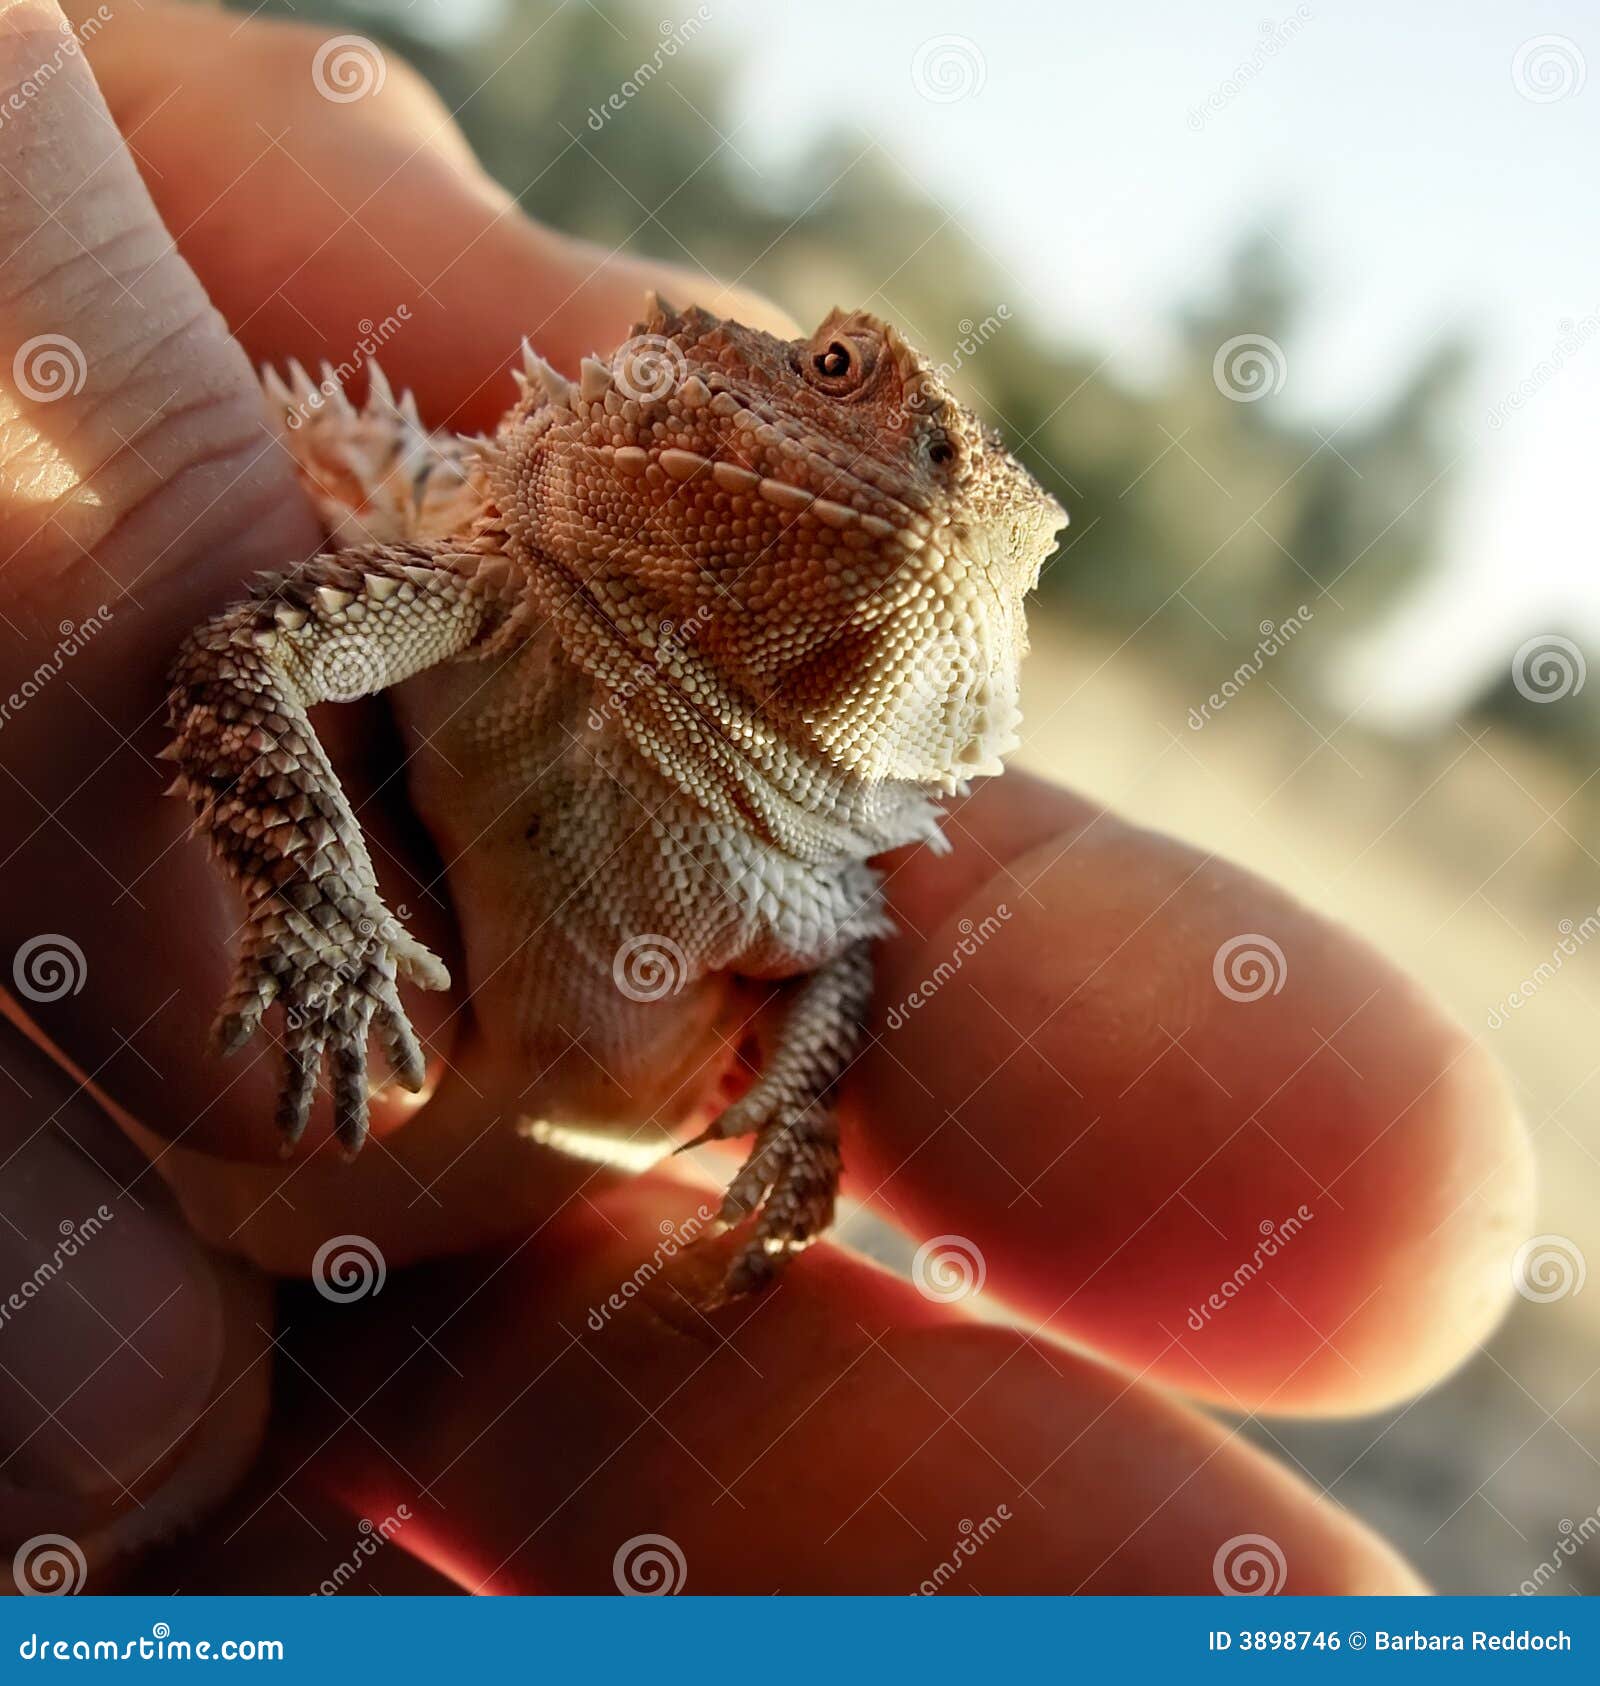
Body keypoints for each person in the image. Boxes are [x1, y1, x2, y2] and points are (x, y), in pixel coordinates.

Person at [0, 0, 1531, 1595]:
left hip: (346, 1285)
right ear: (665, 370)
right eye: (846, 372)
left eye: (986, 530)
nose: (916, 468)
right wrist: (313, 910)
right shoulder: (472, 586)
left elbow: (830, 971)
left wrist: (797, 1119)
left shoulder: (806, 887)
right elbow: (241, 662)